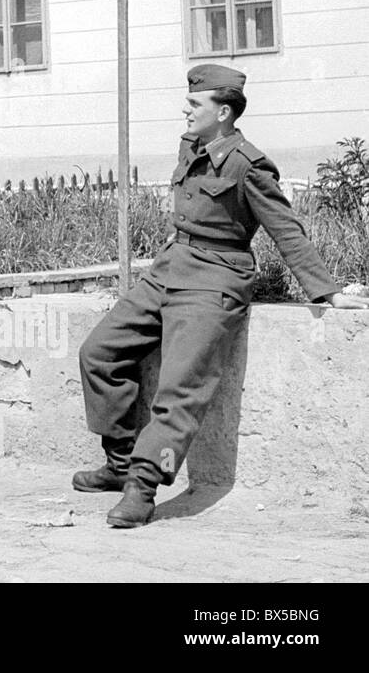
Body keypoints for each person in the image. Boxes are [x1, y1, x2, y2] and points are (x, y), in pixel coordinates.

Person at [75, 64, 366, 528]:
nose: (185, 110)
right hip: (170, 268)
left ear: (224, 112)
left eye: (195, 104)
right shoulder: (192, 146)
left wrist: (326, 292)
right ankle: (121, 462)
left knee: (179, 386)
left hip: (215, 279)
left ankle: (143, 486)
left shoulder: (248, 165)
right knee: (99, 353)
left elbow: (285, 229)